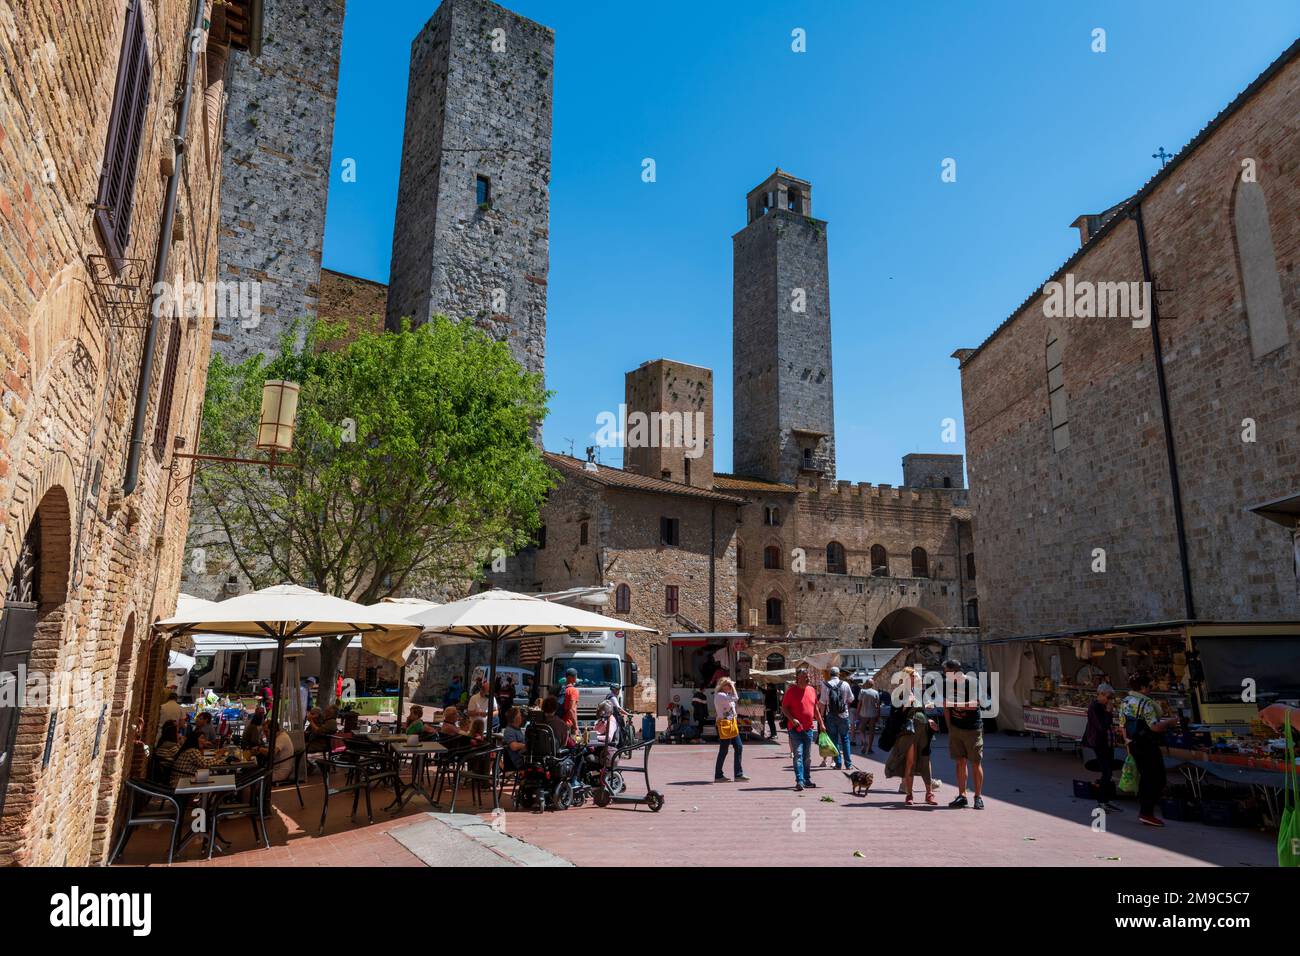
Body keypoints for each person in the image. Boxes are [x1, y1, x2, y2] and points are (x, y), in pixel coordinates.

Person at [1120, 672, 1178, 827]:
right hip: (1146, 744)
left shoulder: (1125, 701)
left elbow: (1122, 724)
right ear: (1143, 687)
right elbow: (1155, 727)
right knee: (1157, 779)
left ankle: (1146, 810)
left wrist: (1127, 742)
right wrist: (1170, 722)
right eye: (1150, 686)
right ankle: (1147, 813)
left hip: (1133, 743)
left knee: (1145, 777)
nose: (1151, 689)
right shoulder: (1146, 704)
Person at [883, 667, 938, 806]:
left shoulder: (917, 691)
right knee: (910, 761)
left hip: (923, 730)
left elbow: (920, 711)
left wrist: (929, 719)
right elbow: (894, 715)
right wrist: (906, 704)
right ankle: (909, 794)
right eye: (914, 675)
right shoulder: (899, 692)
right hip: (909, 732)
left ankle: (929, 793)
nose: (917, 678)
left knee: (926, 760)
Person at [943, 659, 985, 809]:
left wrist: (954, 705)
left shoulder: (972, 683)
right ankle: (962, 795)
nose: (945, 675)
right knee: (960, 761)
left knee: (975, 762)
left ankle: (978, 797)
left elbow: (974, 705)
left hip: (972, 729)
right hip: (956, 728)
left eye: (946, 672)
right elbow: (945, 706)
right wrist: (950, 727)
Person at [781, 668, 822, 791]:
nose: (807, 677)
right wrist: (792, 719)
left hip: (809, 729)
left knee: (807, 756)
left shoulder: (812, 690)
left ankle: (807, 779)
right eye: (805, 675)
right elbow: (784, 708)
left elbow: (815, 709)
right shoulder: (791, 691)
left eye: (808, 675)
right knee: (798, 754)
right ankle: (799, 780)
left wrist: (822, 723)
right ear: (798, 677)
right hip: (795, 729)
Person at [1084, 683, 1122, 813]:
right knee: (1107, 771)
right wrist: (1108, 712)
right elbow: (1101, 726)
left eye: (1111, 697)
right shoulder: (1094, 707)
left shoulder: (1103, 706)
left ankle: (1106, 800)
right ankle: (1101, 801)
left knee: (1108, 771)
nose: (1110, 699)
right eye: (1108, 696)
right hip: (1100, 743)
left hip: (1108, 742)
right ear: (1100, 694)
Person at [712, 677, 749, 782]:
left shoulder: (726, 695)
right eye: (727, 685)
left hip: (731, 724)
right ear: (722, 686)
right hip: (725, 724)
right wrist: (732, 685)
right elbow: (736, 698)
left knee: (737, 747)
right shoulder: (720, 695)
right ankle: (720, 775)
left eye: (730, 685)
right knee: (726, 750)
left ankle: (736, 774)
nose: (730, 687)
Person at [820, 666, 854, 770]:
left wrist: (821, 716)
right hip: (844, 715)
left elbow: (823, 702)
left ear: (830, 674)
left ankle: (838, 763)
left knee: (834, 740)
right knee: (845, 739)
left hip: (831, 715)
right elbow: (851, 699)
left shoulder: (825, 685)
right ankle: (848, 764)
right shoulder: (845, 684)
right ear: (839, 674)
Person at [856, 678, 881, 753]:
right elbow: (878, 706)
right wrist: (878, 714)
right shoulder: (876, 693)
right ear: (872, 684)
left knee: (861, 729)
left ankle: (864, 742)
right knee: (871, 731)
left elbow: (859, 703)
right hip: (873, 714)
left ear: (866, 684)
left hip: (863, 714)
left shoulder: (862, 691)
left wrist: (857, 713)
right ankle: (869, 748)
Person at [502, 707, 528, 771]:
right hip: (518, 761)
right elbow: (513, 746)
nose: (521, 717)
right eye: (519, 715)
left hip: (524, 758)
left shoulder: (517, 729)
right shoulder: (509, 730)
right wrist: (527, 746)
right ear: (514, 718)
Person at [562, 669, 581, 735]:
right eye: (576, 676)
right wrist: (575, 726)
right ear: (571, 677)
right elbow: (572, 710)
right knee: (572, 744)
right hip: (568, 724)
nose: (576, 678)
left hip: (560, 721)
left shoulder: (563, 689)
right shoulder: (573, 690)